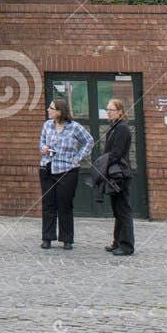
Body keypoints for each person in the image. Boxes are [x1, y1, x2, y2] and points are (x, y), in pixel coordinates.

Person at [38, 96, 94, 250]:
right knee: (48, 204)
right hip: (47, 168)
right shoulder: (47, 125)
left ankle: (67, 239)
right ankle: (47, 238)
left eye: (51, 108)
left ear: (60, 111)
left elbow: (89, 141)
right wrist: (43, 149)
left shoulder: (74, 127)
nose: (48, 110)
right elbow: (41, 143)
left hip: (67, 170)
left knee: (65, 205)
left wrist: (77, 158)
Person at [103, 97, 135, 256]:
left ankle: (127, 246)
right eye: (107, 110)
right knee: (117, 210)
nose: (108, 112)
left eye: (111, 110)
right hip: (114, 174)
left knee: (123, 210)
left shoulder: (122, 128)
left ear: (120, 112)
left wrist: (103, 165)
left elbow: (116, 153)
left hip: (120, 175)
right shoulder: (114, 127)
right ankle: (117, 242)